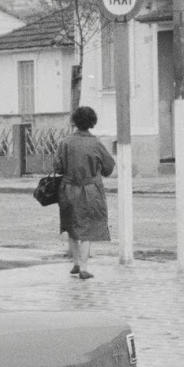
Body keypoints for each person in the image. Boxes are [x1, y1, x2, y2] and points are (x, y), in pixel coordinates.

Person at [54, 105, 116, 279]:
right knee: (88, 228)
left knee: (72, 225)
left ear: (75, 121)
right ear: (92, 122)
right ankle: (84, 267)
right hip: (91, 191)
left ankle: (75, 263)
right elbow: (109, 166)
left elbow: (58, 167)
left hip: (68, 189)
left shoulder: (65, 142)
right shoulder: (96, 143)